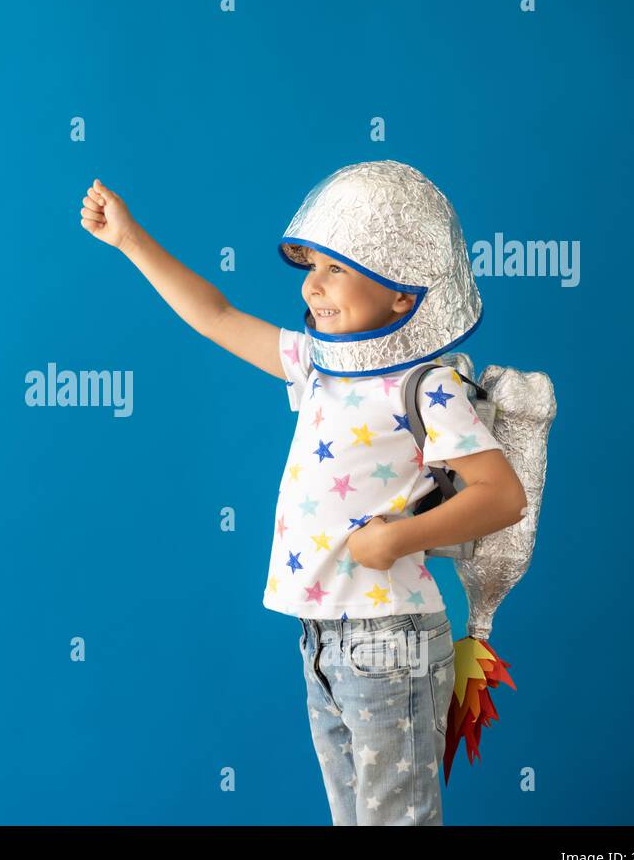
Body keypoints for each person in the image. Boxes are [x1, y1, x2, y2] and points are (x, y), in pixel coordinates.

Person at [78, 160, 527, 825]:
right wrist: (130, 240)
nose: (313, 285)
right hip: (323, 641)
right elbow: (216, 315)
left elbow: (501, 494)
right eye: (311, 266)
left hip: (388, 639)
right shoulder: (318, 366)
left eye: (337, 268)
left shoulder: (427, 385)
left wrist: (399, 537)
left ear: (404, 292)